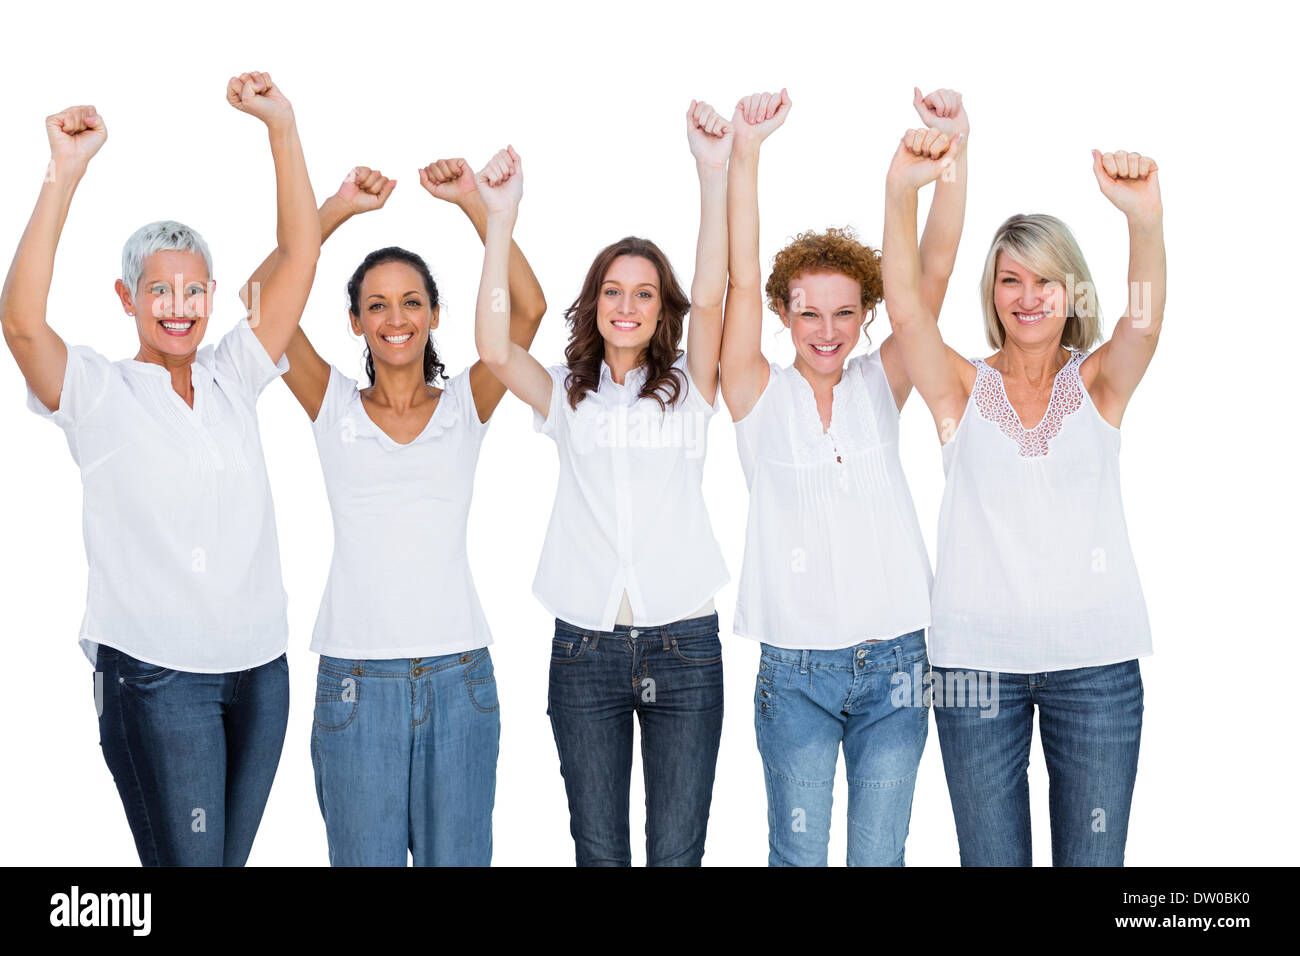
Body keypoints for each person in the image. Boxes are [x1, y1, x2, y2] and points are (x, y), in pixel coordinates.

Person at [0, 72, 320, 865]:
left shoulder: (235, 374)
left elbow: (303, 254)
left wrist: (281, 126)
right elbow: (18, 320)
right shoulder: (98, 391)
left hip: (259, 674)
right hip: (156, 678)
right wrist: (62, 173)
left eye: (193, 291)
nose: (178, 307)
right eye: (158, 291)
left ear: (211, 297)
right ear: (127, 297)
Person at [239, 154, 546, 866]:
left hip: (458, 676)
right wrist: (338, 207)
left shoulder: (469, 401)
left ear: (435, 313)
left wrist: (477, 204)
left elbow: (528, 311)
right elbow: (259, 298)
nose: (396, 317)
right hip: (356, 683)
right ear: (355, 321)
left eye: (411, 301)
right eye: (376, 304)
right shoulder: (330, 403)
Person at [882, 127, 1163, 866]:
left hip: (1097, 669)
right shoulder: (959, 391)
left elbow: (1144, 319)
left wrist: (1143, 218)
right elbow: (906, 312)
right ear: (993, 294)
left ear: (1072, 290)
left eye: (1044, 280)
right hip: (975, 666)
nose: (1029, 297)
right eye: (1011, 280)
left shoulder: (1099, 383)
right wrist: (899, 192)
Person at [473, 102, 732, 866]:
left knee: (678, 851)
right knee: (598, 849)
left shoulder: (691, 385)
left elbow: (715, 295)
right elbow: (492, 345)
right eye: (613, 291)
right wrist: (498, 218)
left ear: (662, 309)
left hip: (684, 642)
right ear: (594, 303)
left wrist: (709, 172)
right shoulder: (565, 393)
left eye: (645, 293)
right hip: (584, 647)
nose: (627, 306)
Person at [721, 88, 968, 866]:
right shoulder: (756, 393)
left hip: (898, 665)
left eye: (844, 313)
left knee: (879, 859)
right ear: (783, 317)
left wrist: (954, 152)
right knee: (796, 858)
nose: (827, 331)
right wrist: (747, 156)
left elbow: (929, 274)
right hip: (795, 674)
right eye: (807, 314)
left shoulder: (879, 384)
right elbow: (736, 273)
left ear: (865, 315)